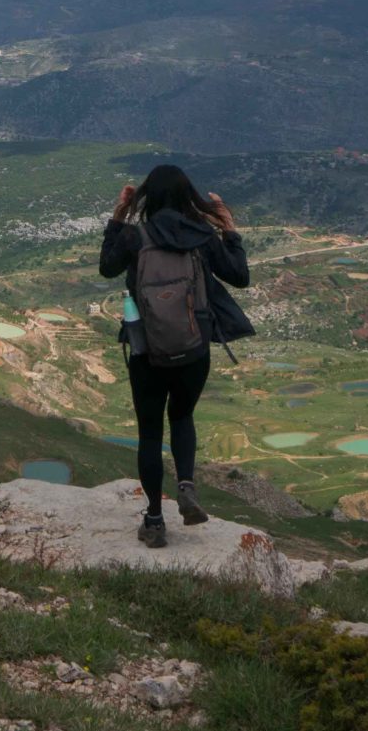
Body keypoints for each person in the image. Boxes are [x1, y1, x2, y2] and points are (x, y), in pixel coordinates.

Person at [97, 163, 252, 548]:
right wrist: (228, 227)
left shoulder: (135, 236)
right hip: (194, 349)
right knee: (182, 416)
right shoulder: (202, 236)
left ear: (147, 198)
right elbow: (239, 276)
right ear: (188, 197)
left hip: (147, 350)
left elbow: (106, 268)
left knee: (150, 433)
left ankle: (154, 520)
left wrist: (118, 217)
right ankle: (186, 486)